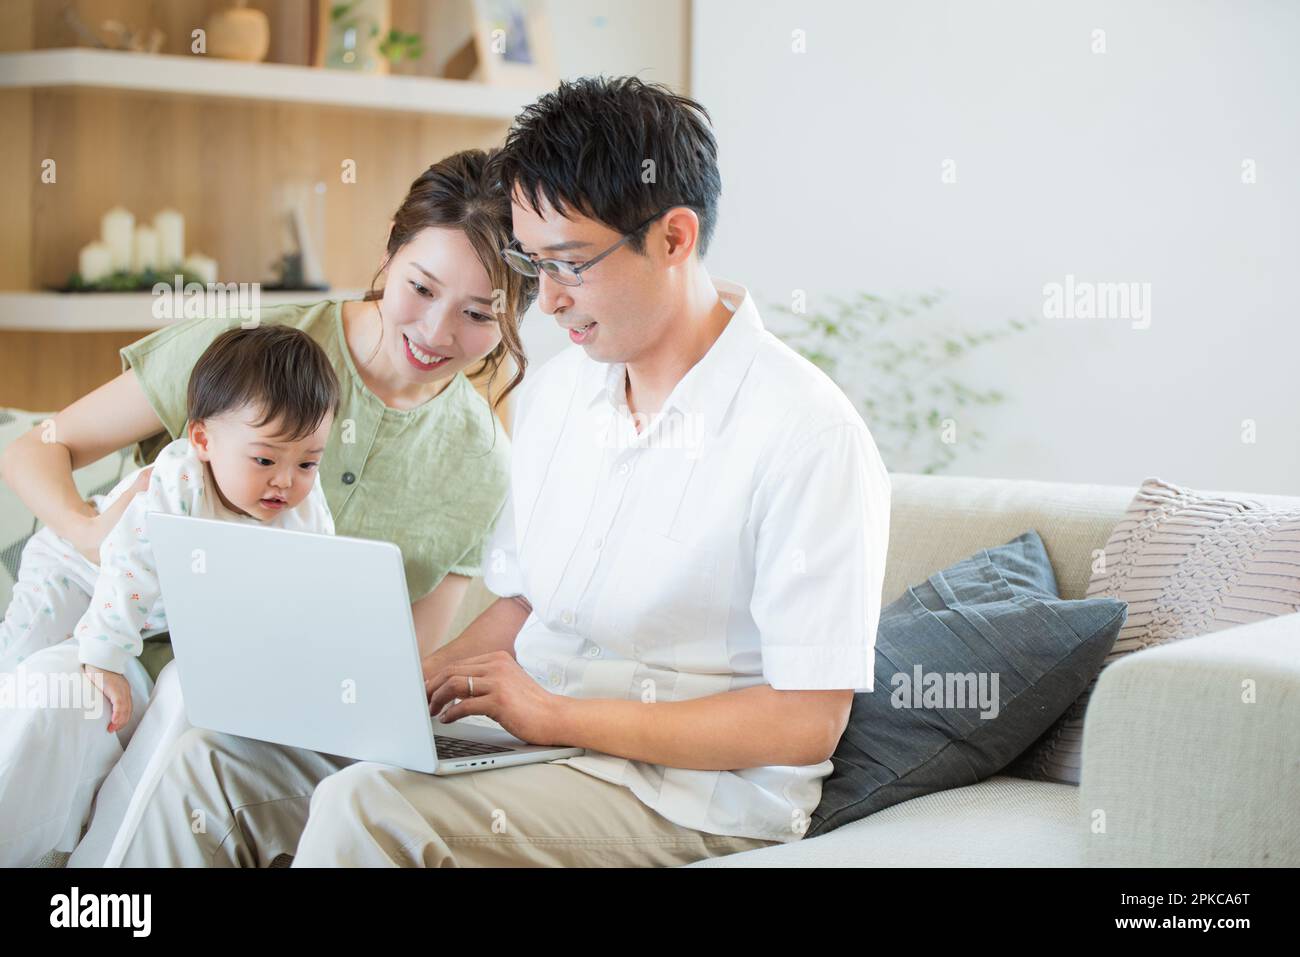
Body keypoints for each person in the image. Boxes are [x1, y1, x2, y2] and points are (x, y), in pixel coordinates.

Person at [108, 76, 893, 868]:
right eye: (531, 262)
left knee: (368, 808)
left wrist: (554, 714)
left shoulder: (807, 433)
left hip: (686, 790)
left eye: (569, 265)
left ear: (675, 238)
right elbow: (523, 599)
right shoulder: (558, 396)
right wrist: (411, 684)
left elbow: (804, 721)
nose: (544, 302)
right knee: (211, 760)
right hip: (524, 742)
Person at [0, 148, 536, 867]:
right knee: (50, 704)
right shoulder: (259, 350)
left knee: (195, 731)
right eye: (421, 287)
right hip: (111, 628)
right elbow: (37, 446)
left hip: (234, 705)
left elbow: (395, 665)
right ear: (391, 250)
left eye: (478, 314)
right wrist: (92, 531)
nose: (438, 333)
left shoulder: (482, 464)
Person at [0, 326, 338, 866]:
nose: (285, 482)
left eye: (307, 462)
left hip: (158, 610)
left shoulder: (300, 500)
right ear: (204, 441)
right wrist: (105, 657)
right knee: (23, 654)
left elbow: (315, 573)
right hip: (83, 571)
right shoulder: (179, 478)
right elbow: (129, 570)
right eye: (265, 460)